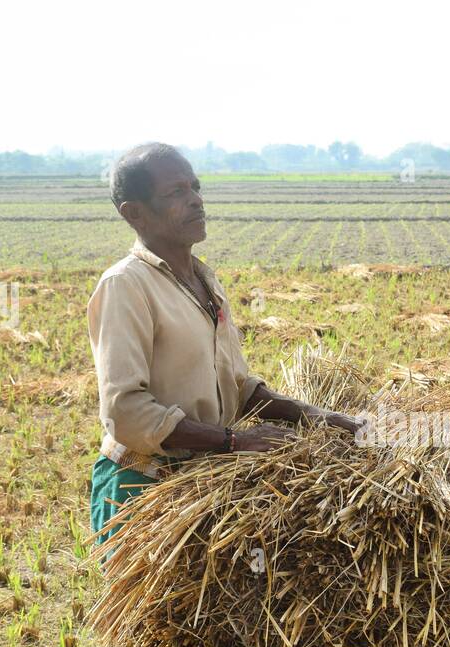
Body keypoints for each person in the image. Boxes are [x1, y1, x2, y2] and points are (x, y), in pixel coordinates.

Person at [87, 142, 361, 547]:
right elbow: (124, 410)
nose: (196, 201)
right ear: (134, 213)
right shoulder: (125, 286)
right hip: (143, 485)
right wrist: (236, 442)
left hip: (202, 482)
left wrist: (318, 416)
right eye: (176, 192)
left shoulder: (204, 282)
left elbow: (237, 385)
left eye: (195, 187)